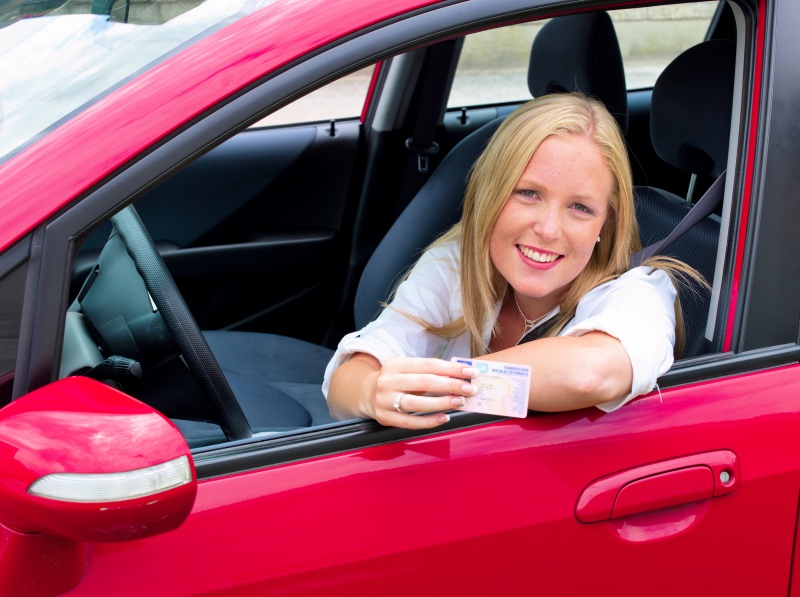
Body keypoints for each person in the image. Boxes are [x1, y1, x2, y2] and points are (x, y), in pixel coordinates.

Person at [323, 92, 703, 429]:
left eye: (580, 208)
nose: (549, 229)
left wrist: (436, 386)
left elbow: (590, 375)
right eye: (528, 193)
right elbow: (346, 380)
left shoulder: (642, 292)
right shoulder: (458, 263)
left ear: (607, 221)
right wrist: (374, 389)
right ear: (490, 192)